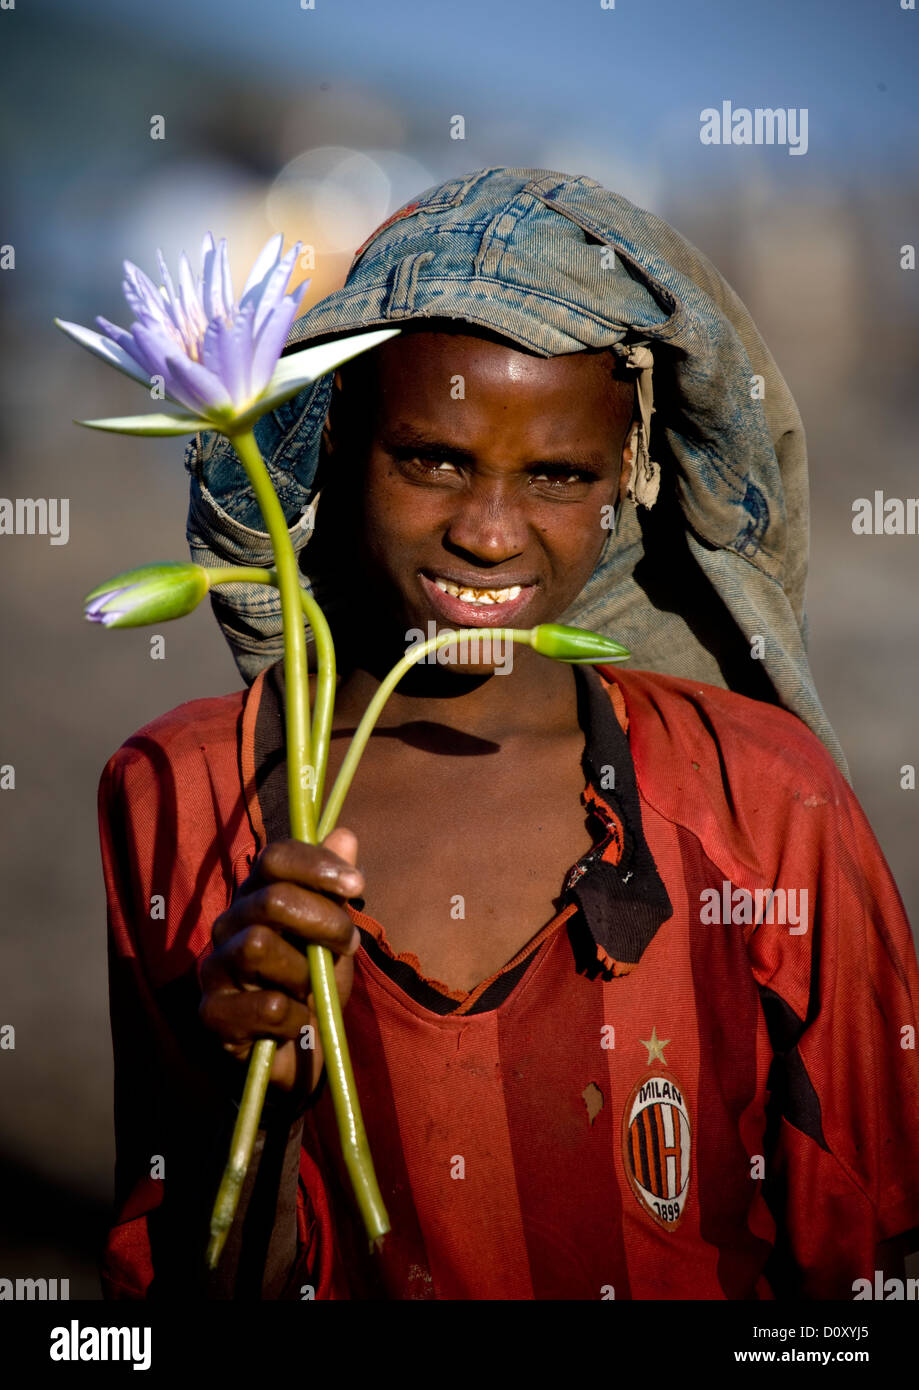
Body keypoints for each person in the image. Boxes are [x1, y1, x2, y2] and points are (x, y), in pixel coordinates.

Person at [99, 167, 919, 1300]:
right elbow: (176, 1277)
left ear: (626, 483)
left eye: (557, 474)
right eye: (431, 459)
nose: (488, 533)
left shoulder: (766, 798)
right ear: (334, 446)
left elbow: (868, 1246)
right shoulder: (181, 788)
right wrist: (243, 1089)